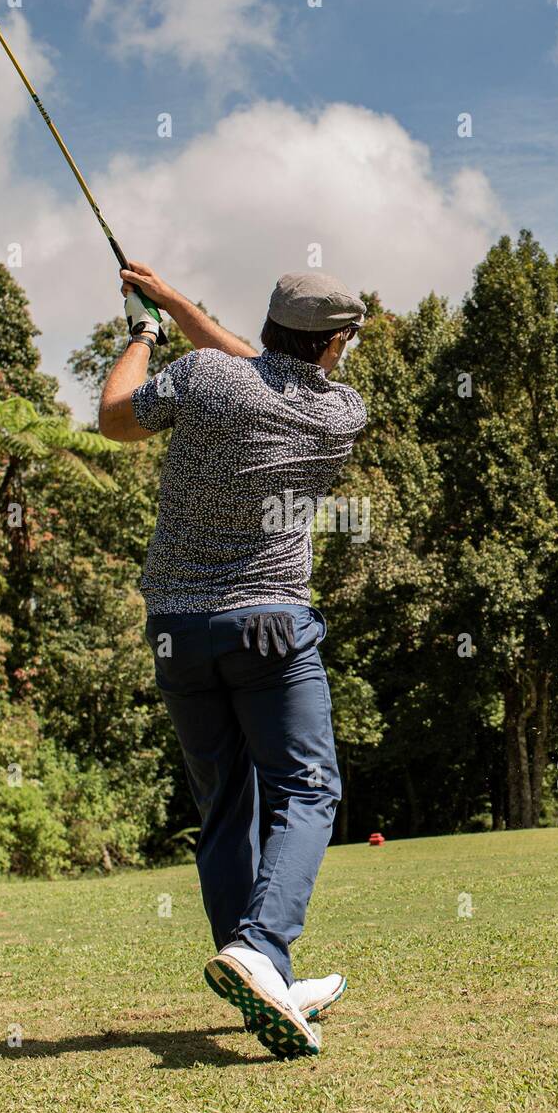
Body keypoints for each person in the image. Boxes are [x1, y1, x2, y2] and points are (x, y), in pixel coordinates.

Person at [98, 264, 368, 1058]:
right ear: (333, 345)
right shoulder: (338, 412)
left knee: (224, 807)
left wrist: (147, 330)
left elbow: (116, 416)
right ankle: (262, 948)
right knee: (310, 788)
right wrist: (176, 309)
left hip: (178, 629)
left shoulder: (210, 377)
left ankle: (261, 972)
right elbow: (260, 369)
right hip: (270, 627)